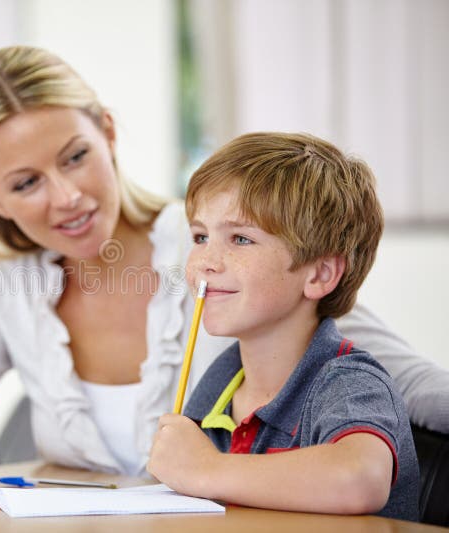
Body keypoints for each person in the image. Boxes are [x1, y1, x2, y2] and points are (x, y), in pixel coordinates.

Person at [0, 45, 448, 479]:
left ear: (108, 132)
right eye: (26, 183)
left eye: (75, 157)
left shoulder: (215, 246)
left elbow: (413, 384)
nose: (66, 196)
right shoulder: (10, 292)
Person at [146, 133, 418, 520]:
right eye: (200, 236)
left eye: (240, 238)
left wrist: (208, 469)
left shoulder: (347, 381)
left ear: (320, 274)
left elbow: (361, 478)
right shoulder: (222, 382)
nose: (205, 260)